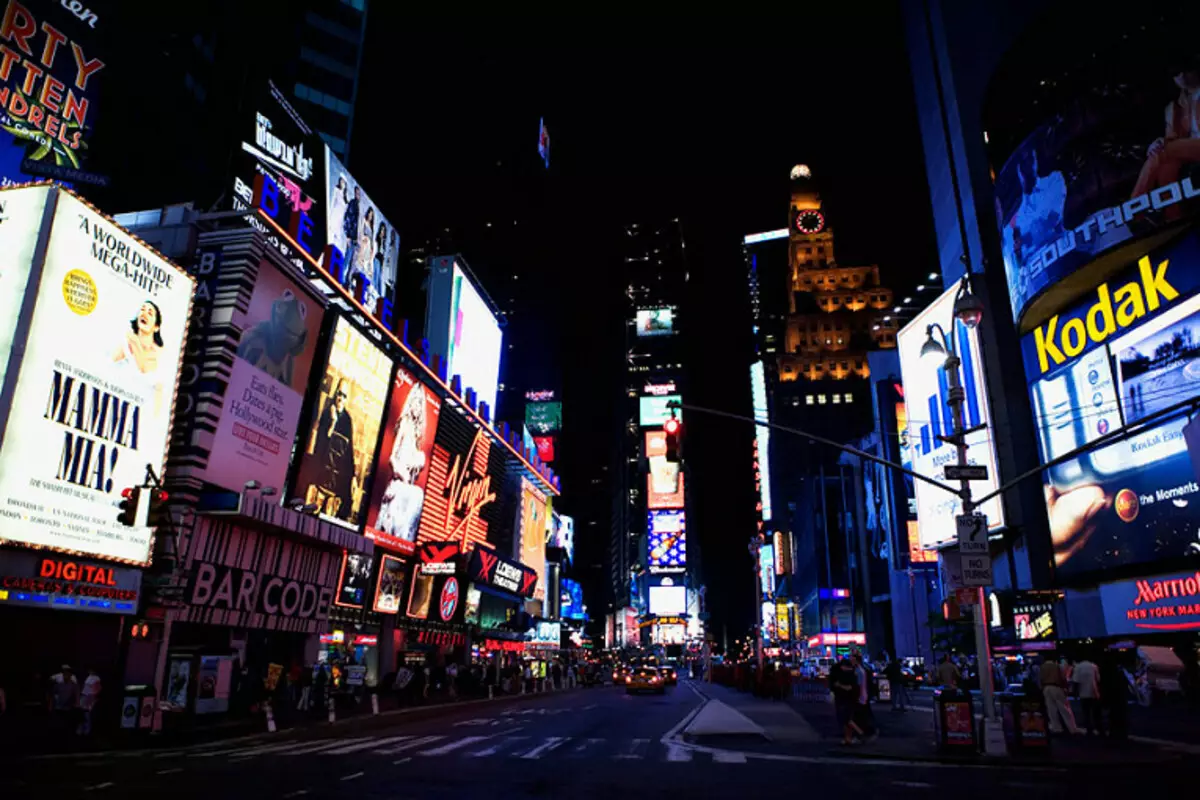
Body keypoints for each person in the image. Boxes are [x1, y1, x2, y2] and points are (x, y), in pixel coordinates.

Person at [311, 378, 357, 520]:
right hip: (324, 471)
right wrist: (333, 423)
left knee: (346, 502)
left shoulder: (348, 420)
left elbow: (349, 450)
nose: (340, 399)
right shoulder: (327, 413)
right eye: (339, 394)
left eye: (344, 396)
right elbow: (319, 445)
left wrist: (353, 476)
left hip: (339, 474)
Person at [1039, 656, 1079, 735]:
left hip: (1046, 688)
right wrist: (1066, 687)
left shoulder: (1042, 667)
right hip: (1056, 687)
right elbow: (1062, 677)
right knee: (1064, 708)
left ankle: (1056, 728)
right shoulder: (1057, 666)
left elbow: (1040, 679)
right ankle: (1072, 728)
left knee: (1051, 710)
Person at [830, 657, 862, 745]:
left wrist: (839, 685)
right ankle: (849, 737)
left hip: (847, 699)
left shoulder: (850, 675)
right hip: (848, 698)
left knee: (846, 719)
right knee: (846, 720)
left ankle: (860, 733)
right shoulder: (852, 673)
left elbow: (850, 688)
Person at [1073, 654, 1102, 735]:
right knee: (1096, 713)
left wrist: (1075, 694)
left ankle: (1089, 729)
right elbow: (1098, 680)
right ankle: (1099, 728)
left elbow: (1076, 681)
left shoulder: (1078, 667)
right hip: (1094, 692)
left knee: (1086, 712)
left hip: (1083, 693)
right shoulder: (1094, 666)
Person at [48, 665, 80, 733]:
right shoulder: (58, 685)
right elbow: (52, 695)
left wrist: (77, 704)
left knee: (67, 725)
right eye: (64, 674)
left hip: (68, 708)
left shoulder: (74, 685)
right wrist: (50, 705)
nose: (65, 676)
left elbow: (77, 695)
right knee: (58, 724)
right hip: (58, 707)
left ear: (70, 675)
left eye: (67, 674)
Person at [76, 667, 102, 736]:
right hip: (84, 697)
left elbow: (97, 690)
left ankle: (86, 731)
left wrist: (92, 698)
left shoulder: (96, 678)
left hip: (89, 698)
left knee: (86, 714)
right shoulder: (88, 677)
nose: (90, 671)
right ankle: (80, 730)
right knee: (81, 714)